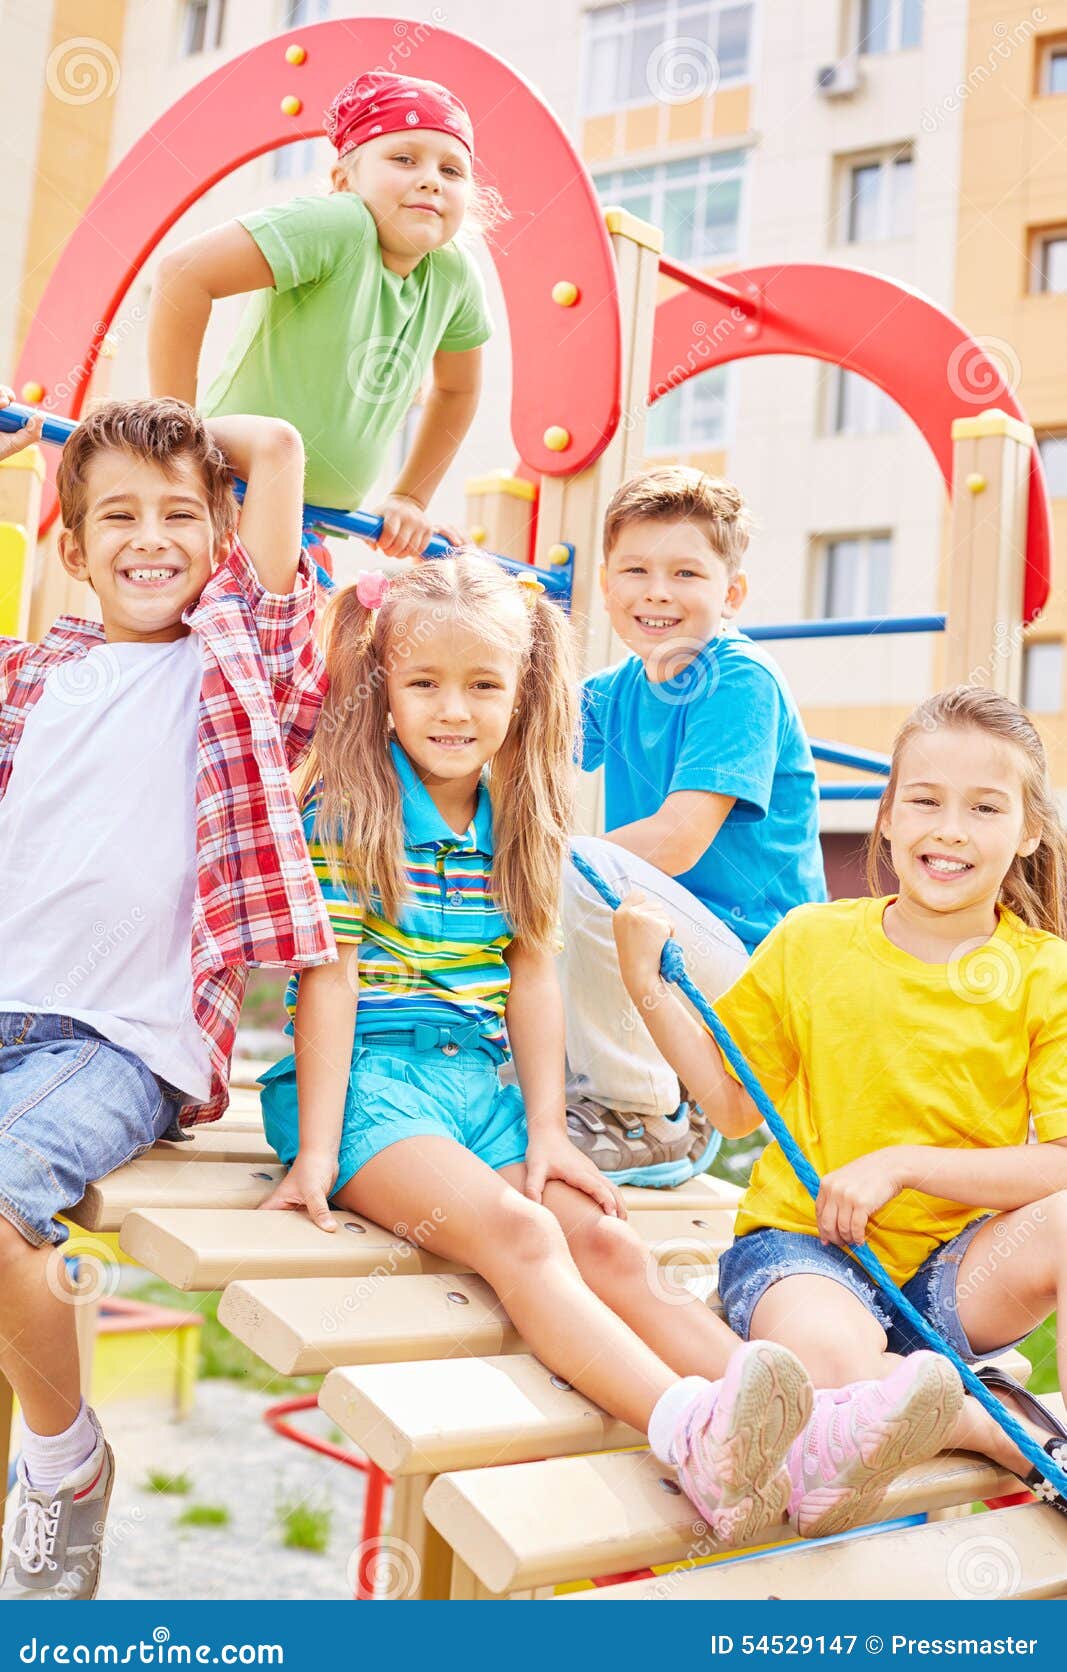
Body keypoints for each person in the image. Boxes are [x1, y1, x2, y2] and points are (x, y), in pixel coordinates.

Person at [254, 549, 962, 1546]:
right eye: (423, 685)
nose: (452, 710)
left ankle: (816, 1437)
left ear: (523, 690)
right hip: (370, 1089)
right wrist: (319, 1155)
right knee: (523, 1236)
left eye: (482, 685)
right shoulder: (347, 810)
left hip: (482, 1090)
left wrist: (550, 1131)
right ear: (383, 690)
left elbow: (532, 980)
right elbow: (328, 985)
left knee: (607, 1243)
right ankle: (688, 1433)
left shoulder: (522, 820)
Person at [0, 394, 336, 1598]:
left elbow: (276, 446)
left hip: (116, 1041)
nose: (150, 538)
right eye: (118, 517)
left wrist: (96, 427)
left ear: (222, 535)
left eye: (180, 514)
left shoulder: (232, 661)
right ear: (70, 547)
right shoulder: (29, 676)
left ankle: (64, 1459)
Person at [612, 685, 1067, 1518]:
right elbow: (734, 1106)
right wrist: (646, 983)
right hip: (807, 1252)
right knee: (821, 1365)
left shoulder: (1046, 972)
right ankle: (989, 1422)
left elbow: (1058, 1165)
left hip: (952, 1275)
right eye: (923, 800)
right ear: (885, 816)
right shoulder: (813, 940)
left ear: (1028, 830)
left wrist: (902, 1165)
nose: (949, 830)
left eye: (984, 807)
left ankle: (963, 1397)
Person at [562, 465, 826, 1168]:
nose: (656, 591)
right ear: (606, 585)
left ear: (730, 593)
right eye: (636, 570)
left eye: (685, 573)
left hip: (760, 965)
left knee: (571, 865)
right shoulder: (616, 690)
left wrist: (534, 865)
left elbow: (678, 841)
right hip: (677, 945)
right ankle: (605, 1085)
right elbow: (514, 748)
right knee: (510, 861)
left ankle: (640, 1110)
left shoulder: (739, 680)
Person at [147, 71, 495, 560]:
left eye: (452, 171)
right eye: (404, 159)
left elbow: (459, 389)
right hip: (223, 492)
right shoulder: (342, 225)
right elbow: (183, 274)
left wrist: (411, 497)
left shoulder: (454, 273)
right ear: (344, 181)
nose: (431, 180)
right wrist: (174, 434)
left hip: (309, 526)